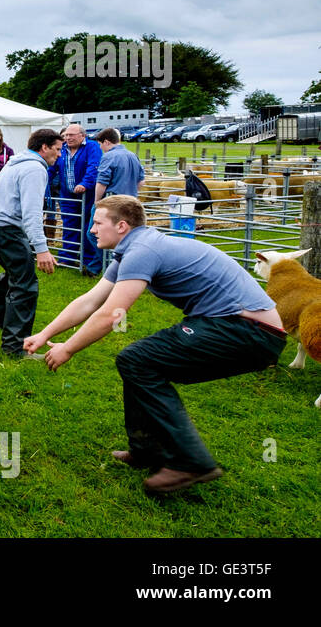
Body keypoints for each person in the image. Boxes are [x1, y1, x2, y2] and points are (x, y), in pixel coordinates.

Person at [23, 196, 286, 494]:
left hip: (248, 330)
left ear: (121, 226)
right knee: (138, 362)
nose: (92, 230)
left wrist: (68, 348)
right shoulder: (134, 249)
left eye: (98, 223)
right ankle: (147, 450)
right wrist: (45, 335)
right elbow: (91, 301)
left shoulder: (142, 251)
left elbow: (111, 314)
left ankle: (191, 461)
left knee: (138, 360)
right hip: (239, 326)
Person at [0, 128, 63, 356]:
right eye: (56, 150)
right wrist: (42, 250)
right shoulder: (34, 169)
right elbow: (32, 214)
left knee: (14, 271)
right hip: (5, 228)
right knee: (25, 285)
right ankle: (16, 347)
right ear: (44, 147)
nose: (59, 155)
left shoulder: (17, 162)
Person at [54, 124, 103, 276]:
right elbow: (53, 166)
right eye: (66, 135)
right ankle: (67, 257)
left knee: (87, 225)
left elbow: (94, 167)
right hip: (67, 194)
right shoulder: (62, 148)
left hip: (86, 195)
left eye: (71, 135)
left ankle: (87, 259)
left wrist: (85, 184)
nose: (67, 138)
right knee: (70, 224)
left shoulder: (92, 147)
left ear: (82, 135)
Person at [94, 128, 145, 199]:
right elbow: (141, 180)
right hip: (131, 200)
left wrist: (97, 201)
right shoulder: (133, 155)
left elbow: (102, 182)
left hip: (113, 200)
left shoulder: (108, 156)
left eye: (100, 144)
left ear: (106, 142)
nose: (100, 147)